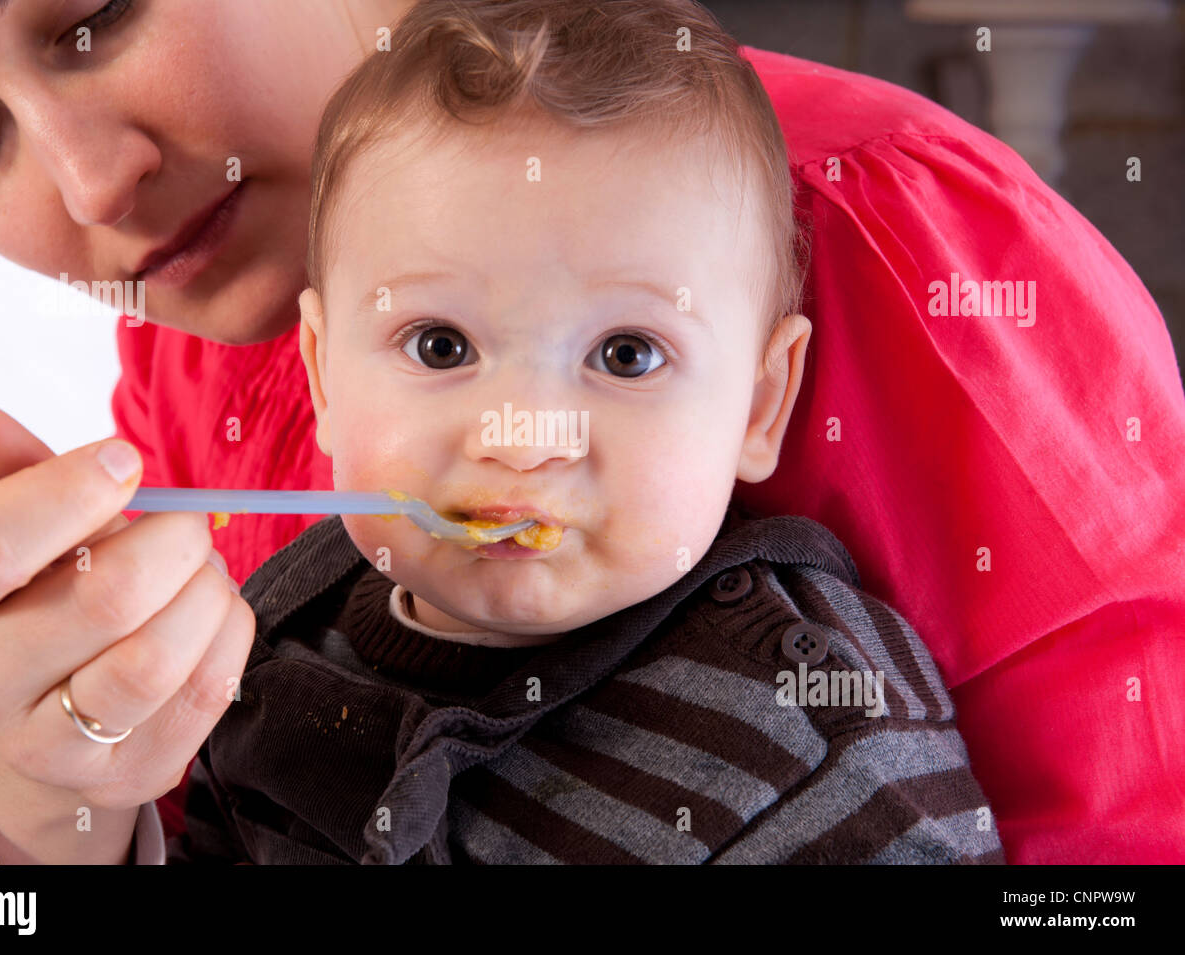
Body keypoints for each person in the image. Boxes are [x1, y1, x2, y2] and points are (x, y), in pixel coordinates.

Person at [0, 0, 1180, 864]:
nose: (90, 183)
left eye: (94, 16)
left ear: (765, 394)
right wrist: (28, 798)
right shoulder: (186, 343)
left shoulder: (884, 236)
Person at [160, 0, 1003, 864]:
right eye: (441, 345)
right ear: (323, 375)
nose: (523, 438)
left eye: (627, 354)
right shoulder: (272, 629)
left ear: (758, 406)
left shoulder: (812, 727)